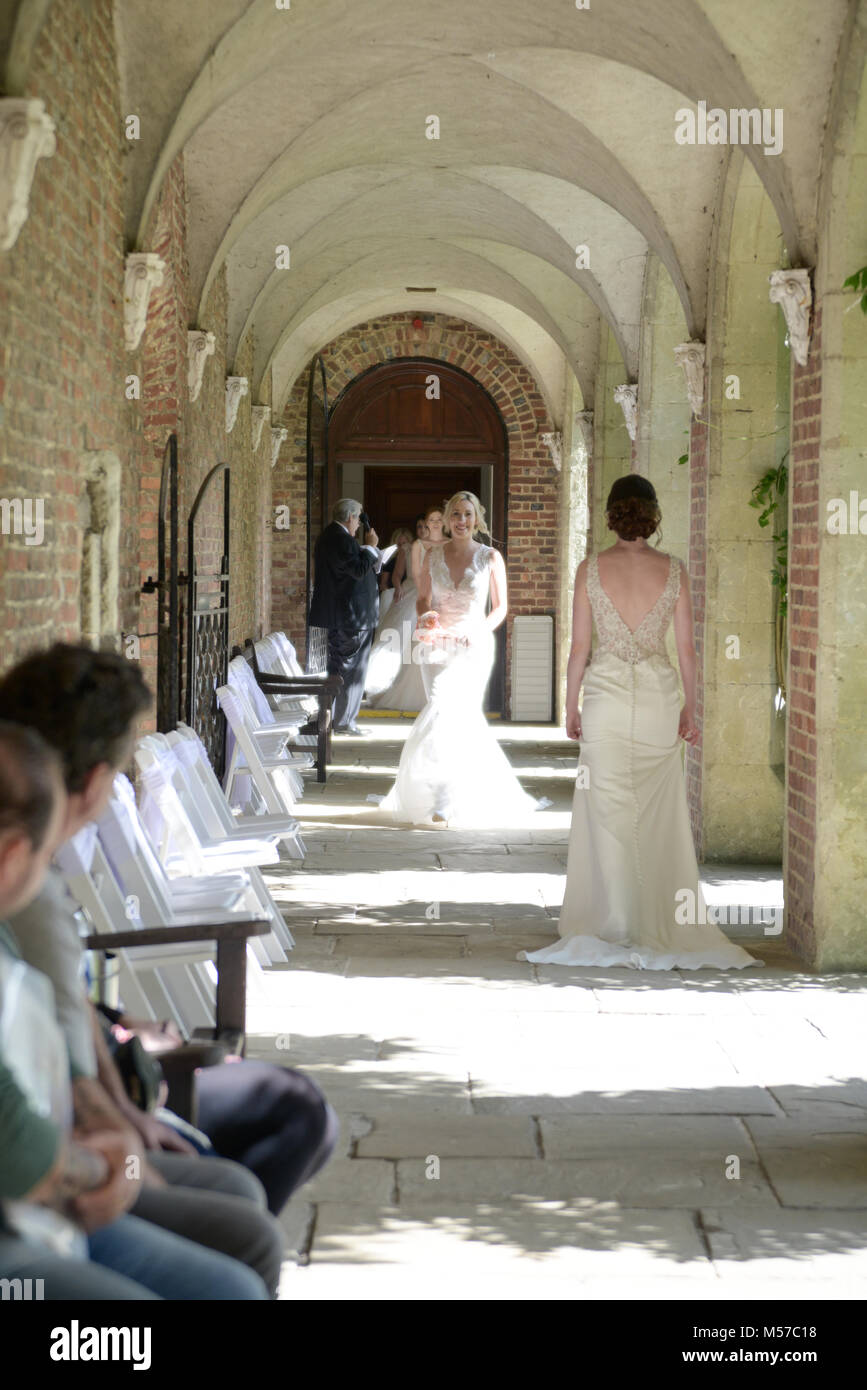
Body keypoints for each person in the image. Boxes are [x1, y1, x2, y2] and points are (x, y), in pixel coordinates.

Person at [0, 643, 337, 1285]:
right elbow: (51, 1100)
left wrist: (121, 1085)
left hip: (85, 1128)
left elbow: (66, 1027)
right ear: (99, 780)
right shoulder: (29, 893)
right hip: (47, 1187)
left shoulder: (30, 875)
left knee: (257, 1176)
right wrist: (122, 1157)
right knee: (256, 1194)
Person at [0, 720, 268, 1299]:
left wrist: (122, 1123)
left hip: (65, 1166)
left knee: (238, 1242)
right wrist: (118, 1160)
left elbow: (72, 1027)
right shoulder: (29, 908)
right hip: (36, 1203)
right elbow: (26, 1154)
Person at [519, 475, 760, 971]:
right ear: (652, 513)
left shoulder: (590, 570)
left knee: (604, 811)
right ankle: (656, 918)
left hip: (605, 700)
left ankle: (614, 921)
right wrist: (691, 709)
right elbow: (688, 651)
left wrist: (570, 706)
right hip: (656, 699)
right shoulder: (674, 570)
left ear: (611, 513)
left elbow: (580, 649)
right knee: (658, 811)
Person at [378, 490, 539, 826]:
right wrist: (427, 618)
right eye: (455, 514)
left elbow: (500, 608)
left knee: (461, 715)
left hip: (473, 646)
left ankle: (450, 796)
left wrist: (479, 630)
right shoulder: (432, 556)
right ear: (447, 520)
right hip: (435, 644)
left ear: (476, 519)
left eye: (467, 514)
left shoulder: (491, 557)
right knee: (438, 707)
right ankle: (437, 794)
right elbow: (423, 599)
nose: (461, 521)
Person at [309, 498, 383, 735]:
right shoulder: (339, 538)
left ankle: (343, 720)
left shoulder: (336, 538)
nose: (360, 524)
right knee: (351, 670)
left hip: (349, 616)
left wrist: (366, 552)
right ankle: (343, 722)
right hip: (349, 618)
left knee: (348, 668)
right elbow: (358, 569)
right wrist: (371, 547)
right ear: (351, 517)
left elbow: (350, 568)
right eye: (359, 518)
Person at [366, 504, 446, 712]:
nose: (422, 530)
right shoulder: (409, 549)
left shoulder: (443, 548)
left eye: (426, 526)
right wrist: (399, 587)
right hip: (412, 592)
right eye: (419, 527)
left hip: (434, 595)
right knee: (400, 636)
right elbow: (397, 574)